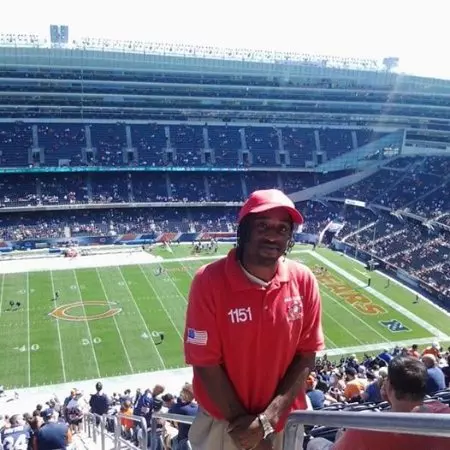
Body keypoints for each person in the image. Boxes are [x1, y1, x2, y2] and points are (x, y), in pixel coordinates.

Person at [184, 189, 324, 450]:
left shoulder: (303, 280)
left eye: (282, 229)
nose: (273, 235)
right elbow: (204, 362)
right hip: (224, 426)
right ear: (244, 229)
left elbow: (307, 354)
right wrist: (248, 430)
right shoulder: (209, 281)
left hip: (283, 423)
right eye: (263, 226)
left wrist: (266, 421)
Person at [308, 356, 450, 450]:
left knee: (314, 442)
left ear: (389, 386)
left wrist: (342, 439)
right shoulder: (444, 413)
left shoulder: (368, 427)